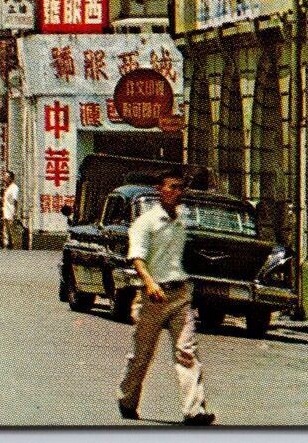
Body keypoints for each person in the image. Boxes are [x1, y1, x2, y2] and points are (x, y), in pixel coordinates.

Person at [117, 172, 215, 426]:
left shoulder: (182, 219)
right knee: (142, 354)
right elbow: (137, 257)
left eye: (180, 187)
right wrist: (149, 283)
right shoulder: (145, 222)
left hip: (180, 294)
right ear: (159, 189)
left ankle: (194, 410)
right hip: (153, 296)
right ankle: (127, 398)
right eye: (172, 187)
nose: (177, 192)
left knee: (186, 352)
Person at [1, 171, 22, 249]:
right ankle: (6, 246)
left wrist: (15, 212)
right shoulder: (8, 188)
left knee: (13, 232)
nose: (5, 178)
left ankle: (16, 247)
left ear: (11, 178)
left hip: (11, 213)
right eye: (4, 176)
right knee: (6, 231)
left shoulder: (14, 188)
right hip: (6, 212)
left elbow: (15, 201)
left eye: (7, 177)